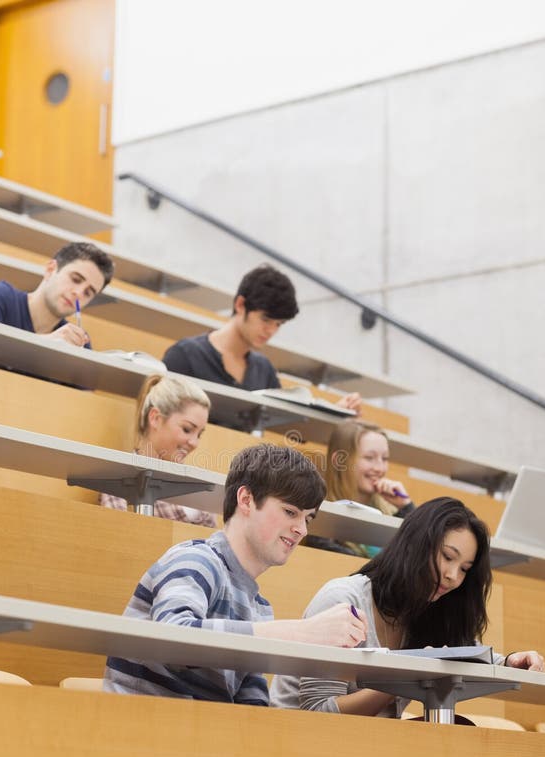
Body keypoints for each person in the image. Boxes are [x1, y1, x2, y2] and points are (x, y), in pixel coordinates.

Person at [104, 443, 368, 703]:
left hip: (202, 735)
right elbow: (173, 636)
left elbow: (251, 708)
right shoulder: (196, 560)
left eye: (307, 518)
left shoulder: (259, 608)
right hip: (141, 729)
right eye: (290, 512)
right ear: (246, 500)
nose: (302, 530)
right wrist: (302, 633)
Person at [271, 496, 545, 718]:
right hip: (298, 741)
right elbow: (317, 713)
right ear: (415, 546)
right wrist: (405, 677)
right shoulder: (343, 600)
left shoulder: (428, 609)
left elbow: (465, 651)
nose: (453, 576)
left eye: (464, 569)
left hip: (368, 746)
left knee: (458, 730)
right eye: (447, 557)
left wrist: (510, 661)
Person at [162, 264, 362, 425]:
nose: (271, 331)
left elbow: (282, 429)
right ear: (240, 305)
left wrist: (335, 413)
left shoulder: (264, 370)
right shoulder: (185, 356)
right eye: (266, 320)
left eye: (279, 324)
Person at [99, 373, 217, 527]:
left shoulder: (199, 488)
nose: (194, 443)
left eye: (199, 434)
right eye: (187, 429)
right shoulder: (119, 480)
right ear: (155, 418)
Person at [0, 241, 114, 348]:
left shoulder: (76, 340)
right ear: (51, 269)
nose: (78, 293)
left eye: (88, 293)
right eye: (75, 279)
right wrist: (46, 342)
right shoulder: (1, 296)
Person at [307, 420, 415, 557]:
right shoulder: (320, 516)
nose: (379, 468)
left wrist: (406, 507)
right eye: (369, 458)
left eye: (385, 458)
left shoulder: (391, 512)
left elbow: (419, 555)